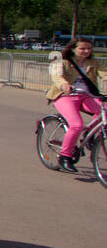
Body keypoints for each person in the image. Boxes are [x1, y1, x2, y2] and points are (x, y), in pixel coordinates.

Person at [45, 36, 107, 172]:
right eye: (82, 48)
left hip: (87, 95)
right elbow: (57, 76)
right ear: (73, 49)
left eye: (89, 48)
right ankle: (65, 157)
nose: (86, 51)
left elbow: (105, 74)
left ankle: (90, 134)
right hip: (65, 95)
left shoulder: (93, 62)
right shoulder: (63, 62)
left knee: (105, 111)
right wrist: (64, 84)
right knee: (77, 125)